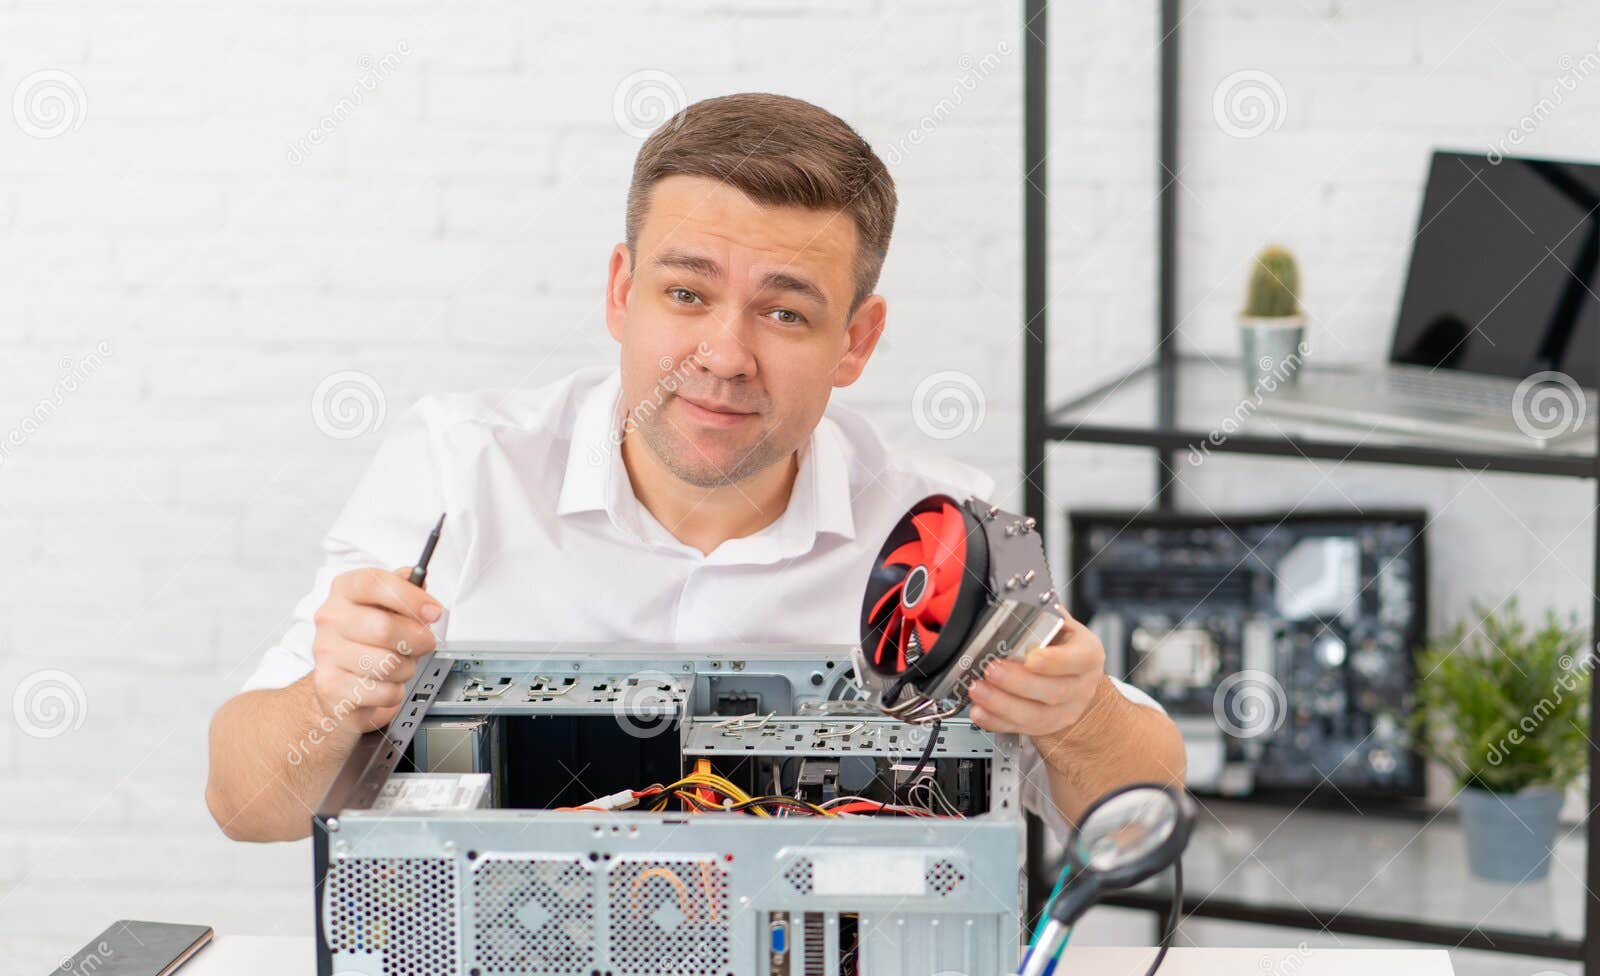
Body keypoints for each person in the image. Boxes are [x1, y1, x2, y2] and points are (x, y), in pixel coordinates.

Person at [206, 92, 1185, 844]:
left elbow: (1137, 814)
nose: (724, 354)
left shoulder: (945, 529)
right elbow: (246, 803)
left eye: (785, 310)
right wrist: (336, 696)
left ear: (857, 339)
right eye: (686, 292)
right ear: (622, 290)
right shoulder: (457, 472)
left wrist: (1078, 713)